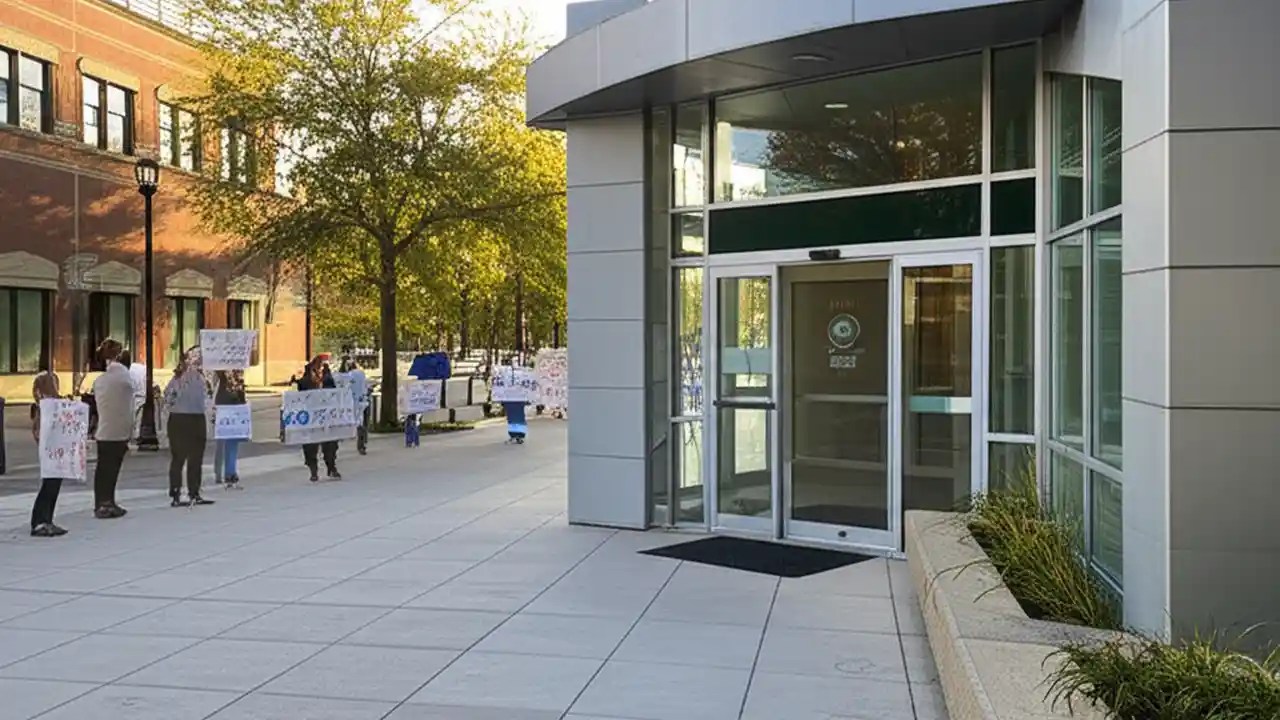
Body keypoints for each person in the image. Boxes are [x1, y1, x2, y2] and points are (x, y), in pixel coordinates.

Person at [163, 347, 214, 507]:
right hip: (186, 418)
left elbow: (168, 399)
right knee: (185, 458)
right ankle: (184, 493)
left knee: (191, 458)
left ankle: (187, 493)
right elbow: (168, 398)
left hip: (185, 418)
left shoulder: (200, 377)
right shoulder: (181, 378)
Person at [91, 339, 132, 519]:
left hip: (104, 429)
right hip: (119, 430)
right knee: (112, 469)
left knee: (103, 469)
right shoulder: (124, 378)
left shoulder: (100, 381)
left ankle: (102, 502)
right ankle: (108, 501)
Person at [29, 371, 68, 537]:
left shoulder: (43, 405)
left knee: (52, 485)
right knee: (50, 486)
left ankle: (45, 519)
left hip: (52, 449)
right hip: (53, 450)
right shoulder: (48, 405)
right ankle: (40, 521)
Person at [298, 355, 341, 482]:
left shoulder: (329, 380)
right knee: (310, 446)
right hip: (311, 418)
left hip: (326, 417)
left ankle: (331, 467)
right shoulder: (306, 381)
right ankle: (313, 470)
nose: (320, 370)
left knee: (330, 444)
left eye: (323, 368)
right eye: (318, 367)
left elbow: (335, 394)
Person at [213, 370, 247, 488]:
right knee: (223, 443)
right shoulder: (222, 373)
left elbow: (241, 393)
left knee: (231, 442)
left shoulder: (238, 377)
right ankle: (222, 472)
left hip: (233, 408)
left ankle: (230, 472)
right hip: (224, 409)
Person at [339, 357, 369, 455]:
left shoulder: (349, 376)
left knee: (357, 422)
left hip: (354, 402)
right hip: (363, 400)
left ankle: (361, 444)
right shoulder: (361, 373)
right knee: (362, 423)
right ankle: (363, 442)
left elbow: (342, 382)